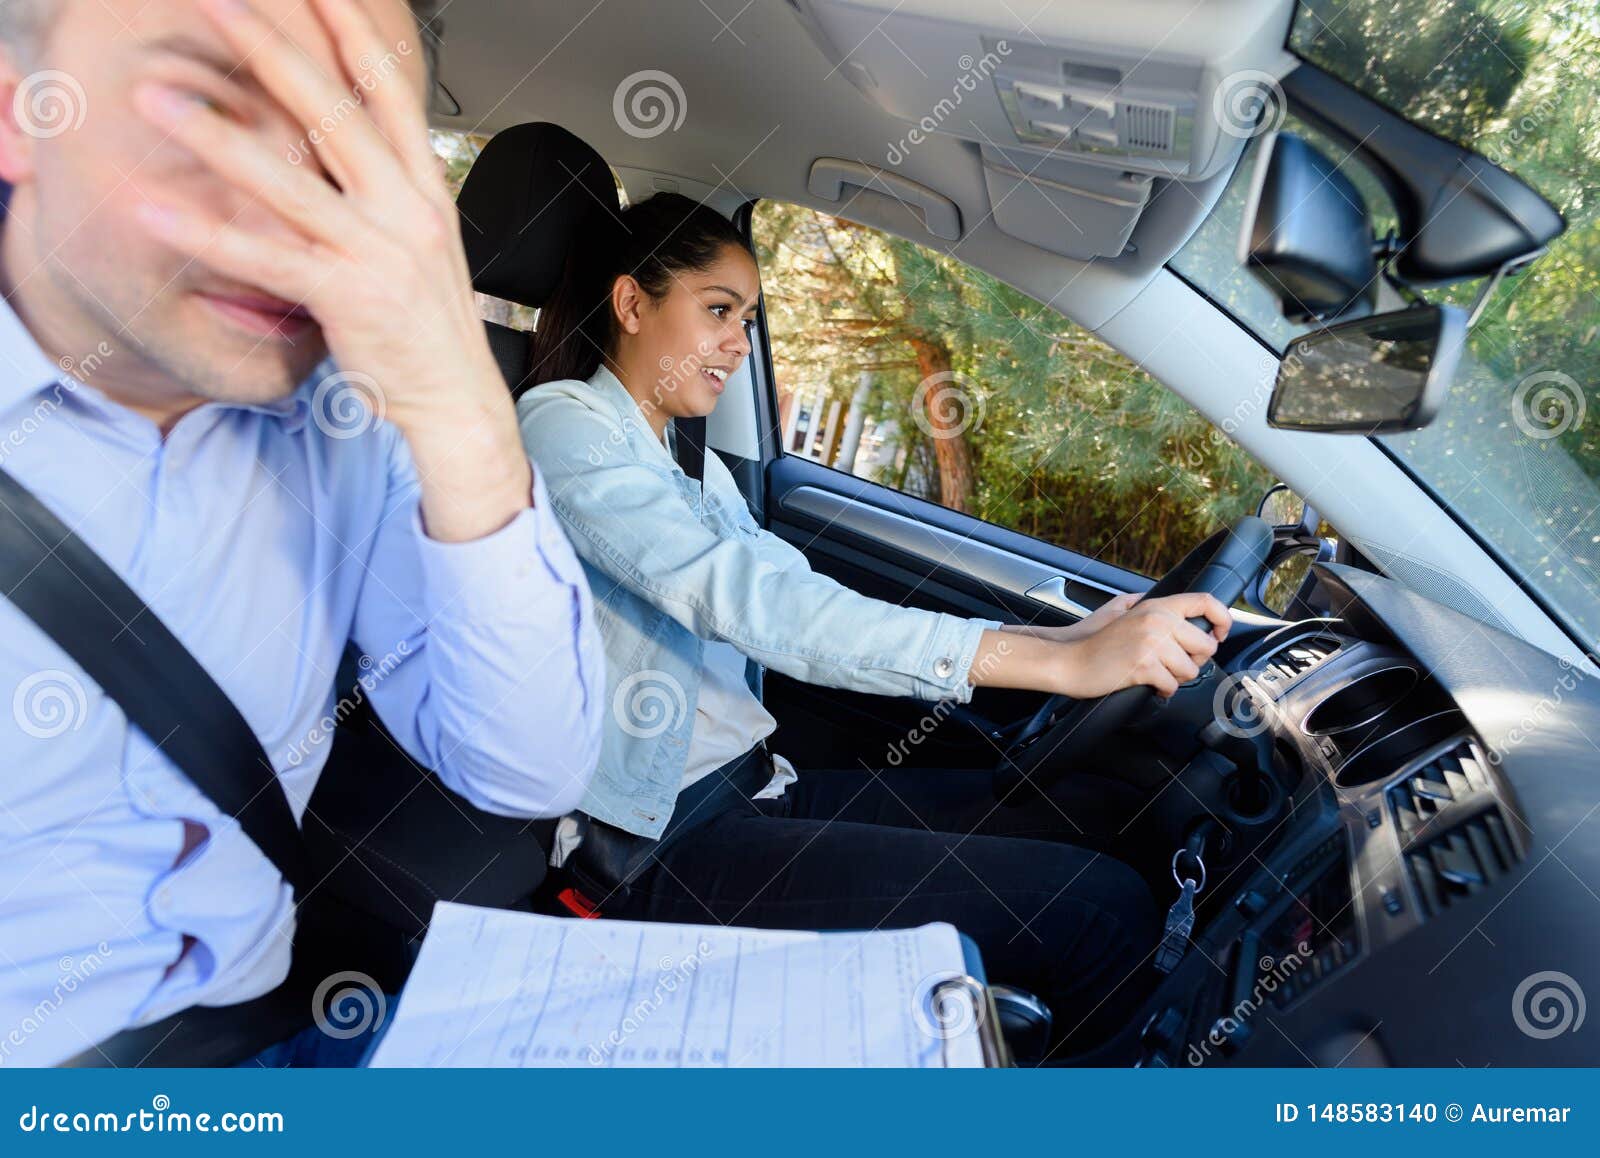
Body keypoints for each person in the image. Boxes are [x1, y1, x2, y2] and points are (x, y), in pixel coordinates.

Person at [0, 0, 603, 1066]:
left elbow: (522, 768)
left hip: (275, 1053)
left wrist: (463, 409)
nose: (298, 215)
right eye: (209, 106)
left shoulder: (352, 423)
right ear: (19, 112)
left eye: (359, 149)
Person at [517, 192, 1233, 1050]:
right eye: (717, 311)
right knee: (1096, 913)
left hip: (757, 791)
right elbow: (750, 602)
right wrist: (1057, 669)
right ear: (633, 305)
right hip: (658, 851)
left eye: (746, 319)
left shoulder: (678, 459)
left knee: (1081, 818)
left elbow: (798, 587)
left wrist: (1074, 638)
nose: (738, 344)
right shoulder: (561, 426)